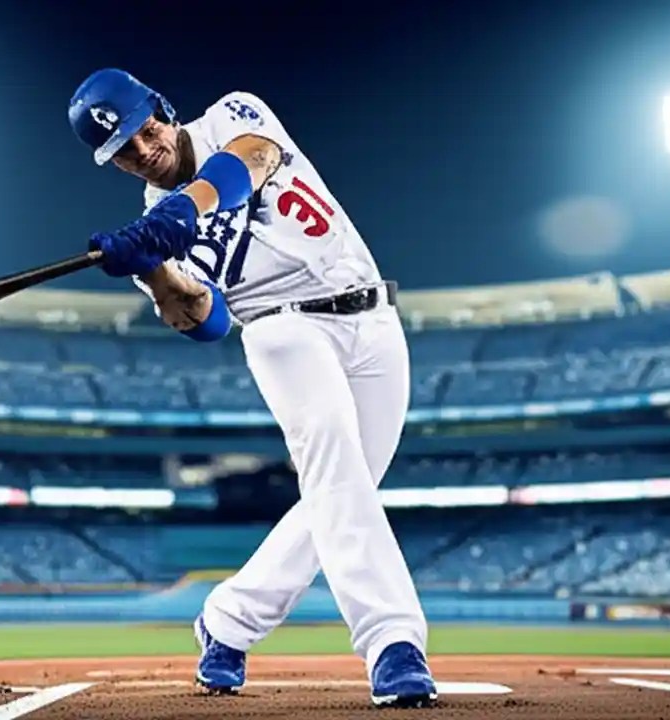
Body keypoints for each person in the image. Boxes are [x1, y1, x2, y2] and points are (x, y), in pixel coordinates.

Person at [68, 68, 436, 709]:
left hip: (374, 319)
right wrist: (154, 272)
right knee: (330, 456)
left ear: (162, 106)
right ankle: (393, 641)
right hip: (281, 330)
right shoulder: (150, 232)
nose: (142, 148)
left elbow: (253, 160)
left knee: (342, 486)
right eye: (122, 150)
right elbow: (204, 320)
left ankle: (227, 621)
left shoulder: (231, 114)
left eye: (144, 128)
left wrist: (185, 211)